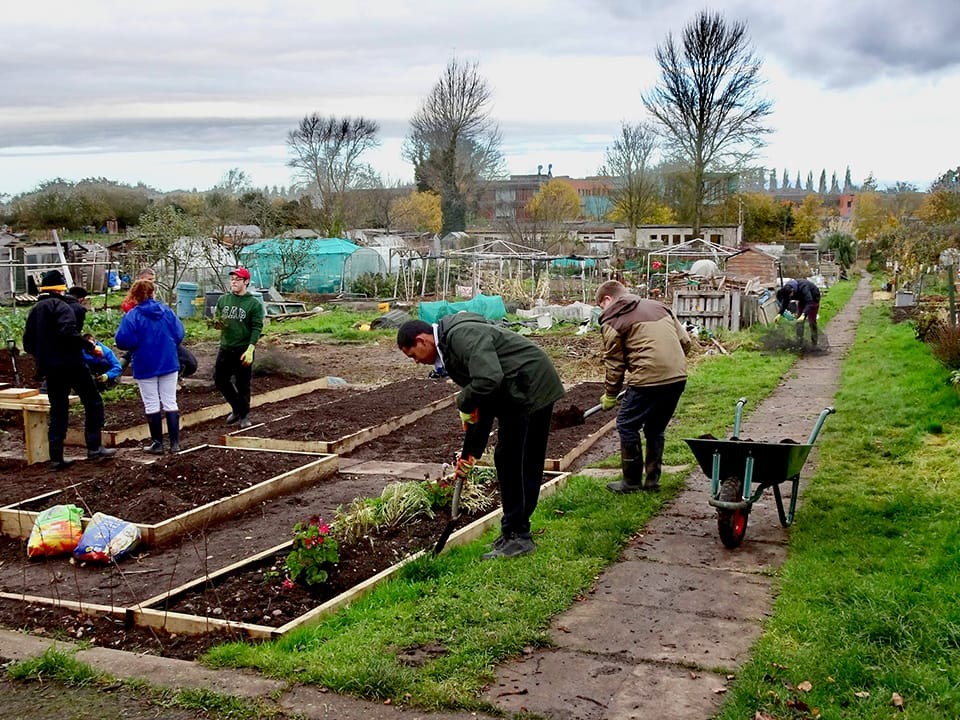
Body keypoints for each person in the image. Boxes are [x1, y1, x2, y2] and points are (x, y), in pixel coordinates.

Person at [397, 314, 564, 560]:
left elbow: (488, 380)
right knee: (508, 459)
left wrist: (462, 400)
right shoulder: (450, 346)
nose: (416, 362)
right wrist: (470, 453)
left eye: (413, 355)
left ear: (422, 341)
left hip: (530, 387)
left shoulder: (460, 337)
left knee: (517, 461)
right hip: (515, 390)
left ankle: (519, 535)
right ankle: (513, 531)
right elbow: (483, 400)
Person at [595, 280, 691, 494]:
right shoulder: (660, 307)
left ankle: (631, 482)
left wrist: (610, 394)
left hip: (647, 379)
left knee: (626, 424)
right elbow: (685, 342)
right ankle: (652, 481)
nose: (601, 310)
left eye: (600, 305)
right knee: (655, 428)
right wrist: (670, 365)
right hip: (677, 377)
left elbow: (614, 362)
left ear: (608, 299)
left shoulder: (614, 319)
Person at [22, 269, 117, 469]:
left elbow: (28, 344)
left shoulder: (35, 310)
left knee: (58, 410)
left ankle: (56, 457)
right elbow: (69, 333)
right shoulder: (61, 306)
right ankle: (94, 447)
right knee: (92, 402)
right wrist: (90, 347)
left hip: (50, 368)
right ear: (60, 288)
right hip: (72, 364)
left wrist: (44, 356)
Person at [115, 279, 185, 454]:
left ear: (134, 295)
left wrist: (138, 345)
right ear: (153, 293)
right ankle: (175, 444)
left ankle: (157, 444)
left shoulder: (132, 316)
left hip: (145, 363)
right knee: (170, 401)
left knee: (151, 403)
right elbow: (179, 333)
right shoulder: (167, 312)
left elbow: (123, 340)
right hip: (168, 361)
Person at [213, 267, 264, 429]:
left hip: (244, 349)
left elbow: (256, 328)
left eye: (238, 279)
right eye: (232, 279)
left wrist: (250, 349)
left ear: (246, 282)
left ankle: (244, 416)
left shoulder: (253, 304)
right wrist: (216, 324)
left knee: (243, 384)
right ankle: (237, 407)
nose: (234, 282)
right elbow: (218, 319)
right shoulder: (223, 300)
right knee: (220, 380)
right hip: (226, 347)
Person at [776, 278, 821, 346]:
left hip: (813, 299)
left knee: (812, 321)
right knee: (799, 322)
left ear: (792, 290)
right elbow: (785, 302)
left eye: (790, 295)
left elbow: (809, 301)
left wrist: (804, 314)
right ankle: (799, 342)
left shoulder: (804, 287)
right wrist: (779, 314)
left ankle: (814, 343)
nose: (790, 297)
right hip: (802, 299)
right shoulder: (786, 289)